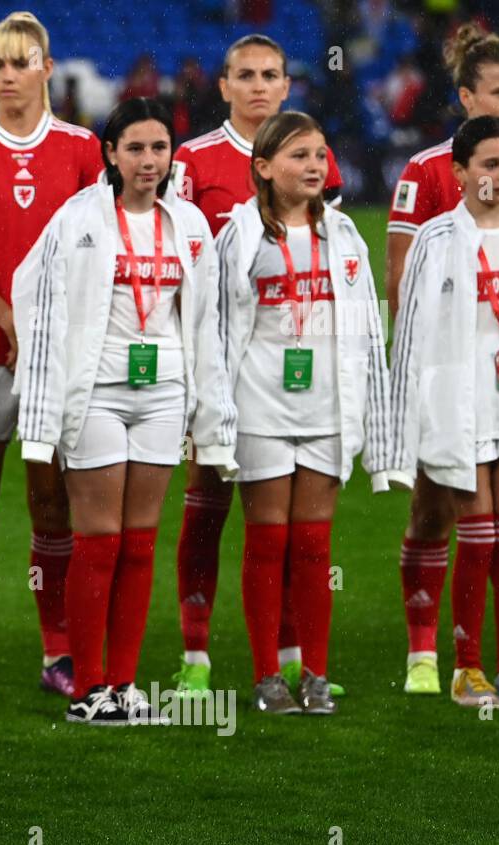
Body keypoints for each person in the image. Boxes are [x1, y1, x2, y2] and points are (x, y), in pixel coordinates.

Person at [12, 98, 228, 725]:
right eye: (134, 148)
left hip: (164, 391)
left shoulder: (188, 223)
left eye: (159, 148)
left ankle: (125, 685)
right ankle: (87, 687)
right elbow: (34, 294)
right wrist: (45, 396)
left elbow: (206, 318)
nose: (148, 160)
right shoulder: (78, 217)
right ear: (110, 153)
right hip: (98, 391)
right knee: (98, 540)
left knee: (140, 542)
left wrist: (205, 405)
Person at [0, 11, 104, 702]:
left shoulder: (84, 148)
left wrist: (39, 332)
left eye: (20, 63)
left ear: (46, 68)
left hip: (57, 351)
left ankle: (58, 650)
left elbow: (94, 247)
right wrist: (10, 320)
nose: (7, 77)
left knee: (50, 500)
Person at [169, 33, 345, 700]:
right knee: (207, 509)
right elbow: (184, 264)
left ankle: (293, 659)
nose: (259, 86)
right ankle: (196, 654)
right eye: (245, 75)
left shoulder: (310, 162)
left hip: (293, 377)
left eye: (271, 74)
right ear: (224, 86)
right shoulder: (194, 160)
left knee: (292, 528)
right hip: (220, 365)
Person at [215, 111, 395, 714]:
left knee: (315, 544)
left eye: (320, 154)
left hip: (326, 407)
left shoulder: (344, 233)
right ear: (263, 168)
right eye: (299, 155)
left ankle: (315, 673)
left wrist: (374, 407)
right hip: (260, 404)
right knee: (267, 541)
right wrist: (212, 416)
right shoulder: (237, 235)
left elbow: (369, 327)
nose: (315, 165)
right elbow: (214, 329)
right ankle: (268, 676)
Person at [385, 24, 499, 695]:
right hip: (452, 379)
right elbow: (403, 287)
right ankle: (429, 650)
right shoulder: (425, 174)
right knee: (432, 512)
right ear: (466, 94)